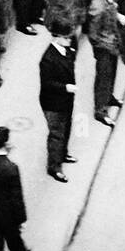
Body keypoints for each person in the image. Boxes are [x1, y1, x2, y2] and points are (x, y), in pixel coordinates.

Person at [87, 0, 125, 125]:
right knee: (103, 78)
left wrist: (118, 16)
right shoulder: (97, 6)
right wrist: (103, 47)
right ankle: (100, 110)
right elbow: (93, 35)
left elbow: (111, 8)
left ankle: (109, 97)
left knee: (111, 74)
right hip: (105, 48)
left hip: (112, 44)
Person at [38, 21, 77, 181]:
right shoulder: (48, 59)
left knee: (66, 127)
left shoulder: (66, 50)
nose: (70, 40)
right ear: (58, 37)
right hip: (53, 103)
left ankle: (62, 153)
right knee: (56, 134)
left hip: (66, 99)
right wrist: (66, 87)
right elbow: (47, 84)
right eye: (67, 38)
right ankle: (54, 167)